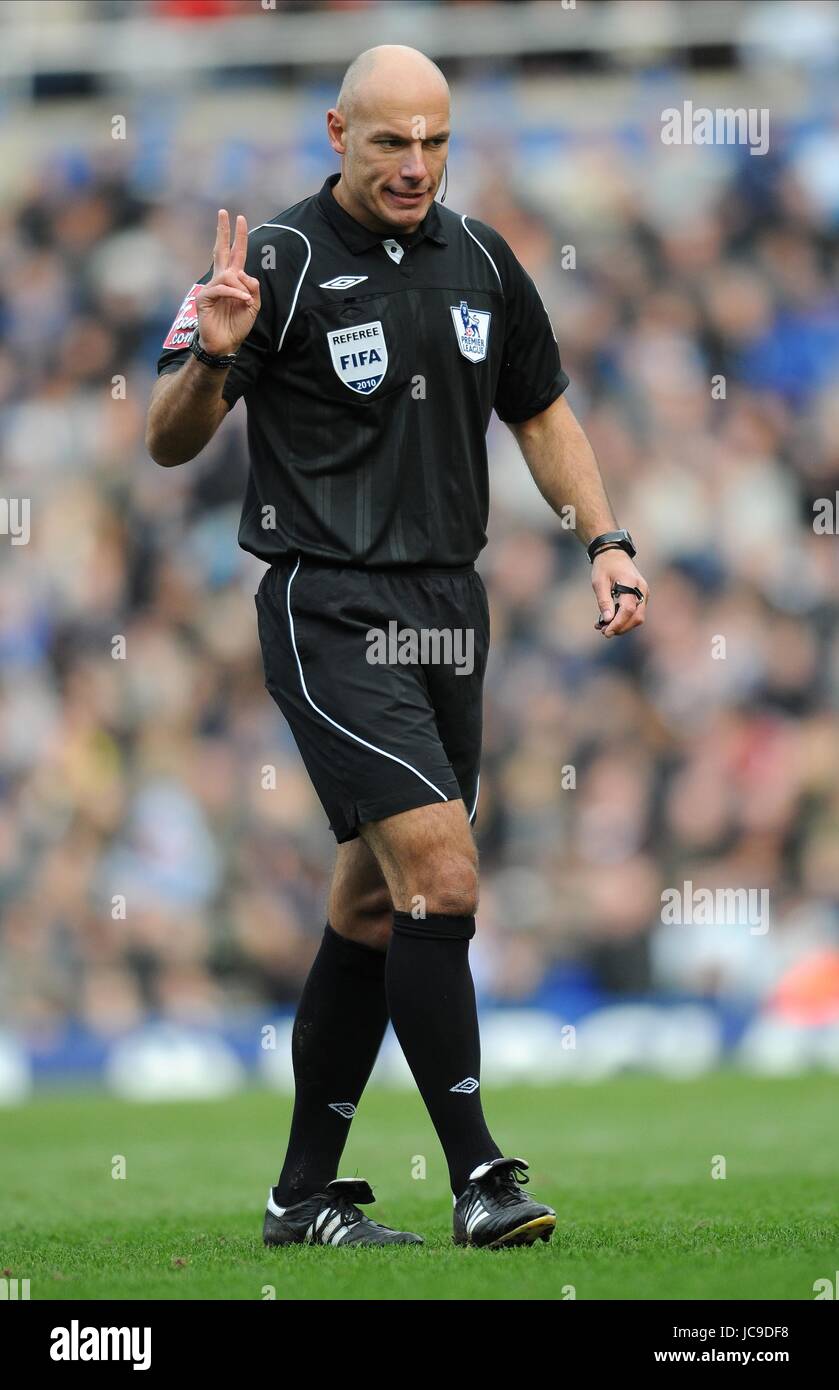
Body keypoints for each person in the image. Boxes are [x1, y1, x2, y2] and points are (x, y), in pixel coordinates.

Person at [146, 44, 649, 1250]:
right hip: (328, 605)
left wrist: (605, 538)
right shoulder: (271, 260)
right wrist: (215, 350)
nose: (414, 164)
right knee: (445, 875)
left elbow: (539, 410)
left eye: (432, 141)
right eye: (388, 142)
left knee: (375, 905)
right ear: (336, 133)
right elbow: (167, 440)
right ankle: (480, 1175)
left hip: (446, 609)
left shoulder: (479, 260)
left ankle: (300, 1196)